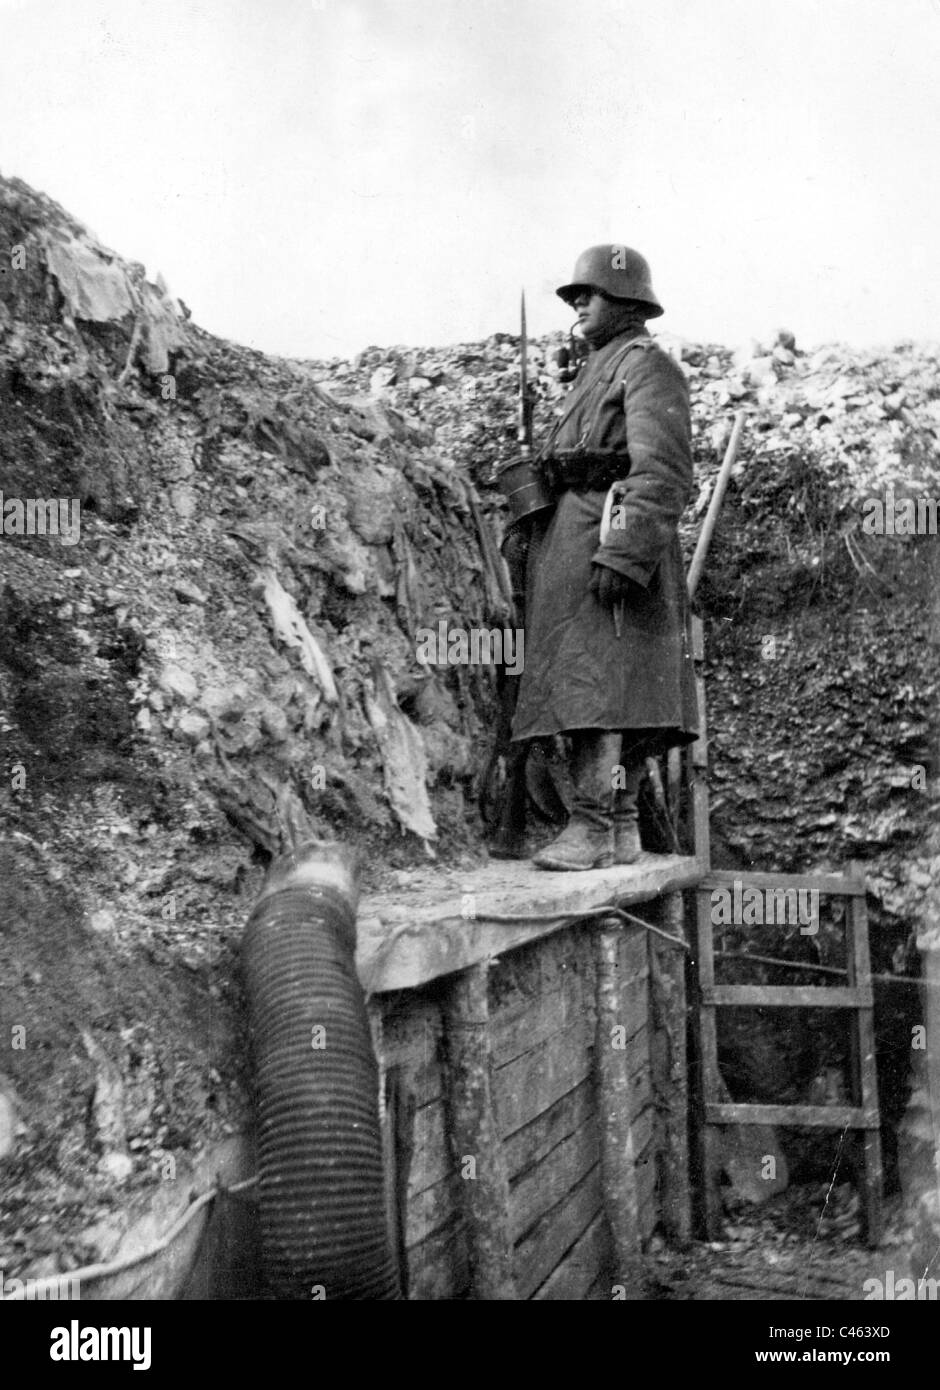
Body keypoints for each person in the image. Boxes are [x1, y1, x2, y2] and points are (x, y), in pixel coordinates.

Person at [510, 243, 698, 871]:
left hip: (611, 541)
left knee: (607, 686)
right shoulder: (598, 367)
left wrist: (625, 554)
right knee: (593, 680)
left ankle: (592, 826)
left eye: (587, 294)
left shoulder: (648, 366)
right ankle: (618, 827)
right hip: (577, 538)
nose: (578, 305)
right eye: (574, 297)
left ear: (627, 301)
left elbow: (664, 471)